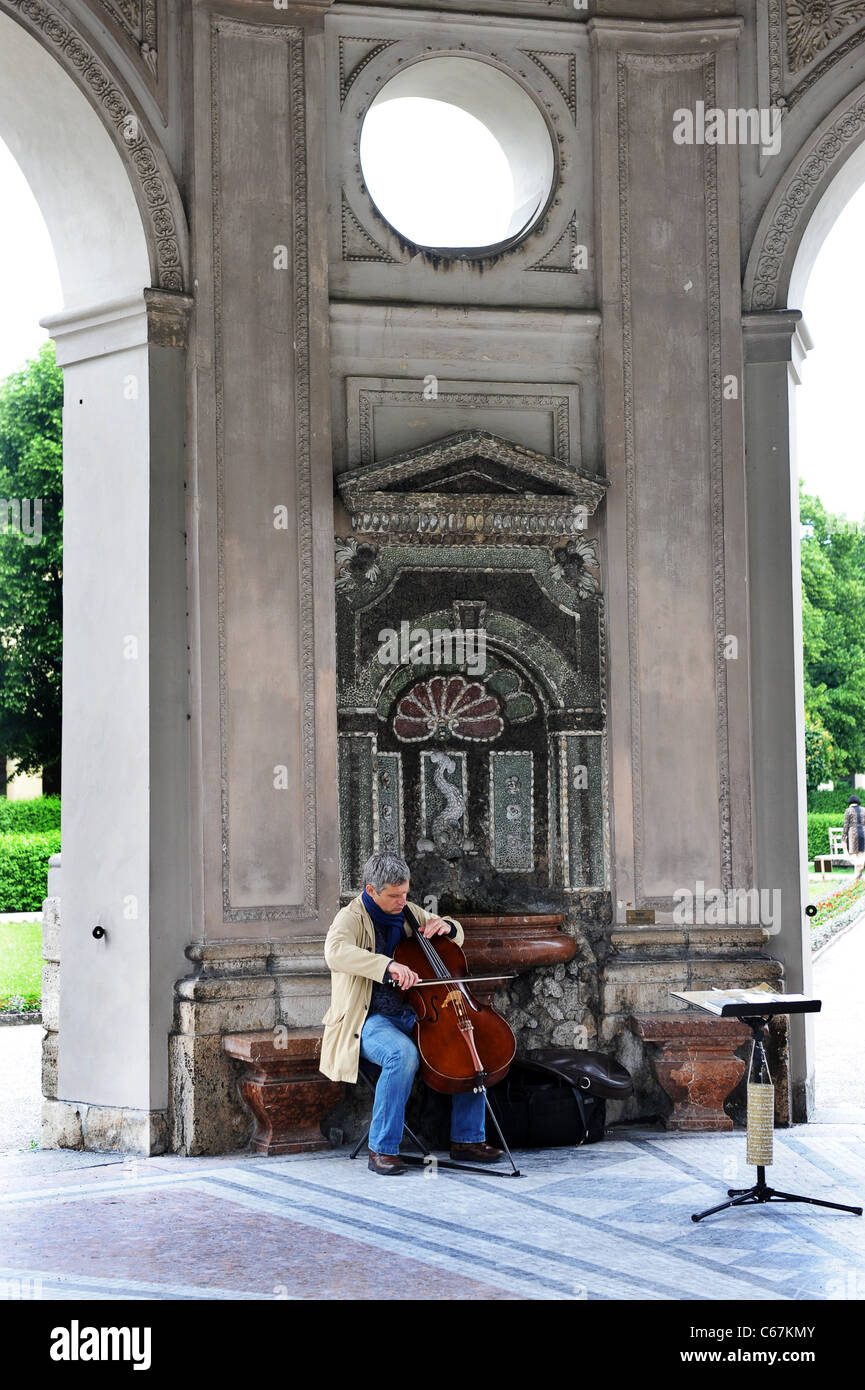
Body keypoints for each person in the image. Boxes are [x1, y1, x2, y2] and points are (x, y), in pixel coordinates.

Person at [319, 851, 503, 1174]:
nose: (403, 901)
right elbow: (334, 953)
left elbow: (455, 933)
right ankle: (382, 1149)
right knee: (401, 1055)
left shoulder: (406, 913)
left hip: (412, 1013)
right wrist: (385, 965)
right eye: (395, 895)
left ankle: (467, 1139)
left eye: (406, 893)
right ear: (372, 890)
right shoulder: (350, 918)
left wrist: (446, 925)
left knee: (466, 1039)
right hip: (366, 1020)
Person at [843, 794, 865, 883]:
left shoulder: (848, 811)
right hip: (863, 833)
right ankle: (858, 877)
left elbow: (845, 826)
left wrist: (843, 838)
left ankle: (856, 876)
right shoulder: (864, 810)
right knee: (861, 855)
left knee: (852, 856)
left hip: (853, 835)